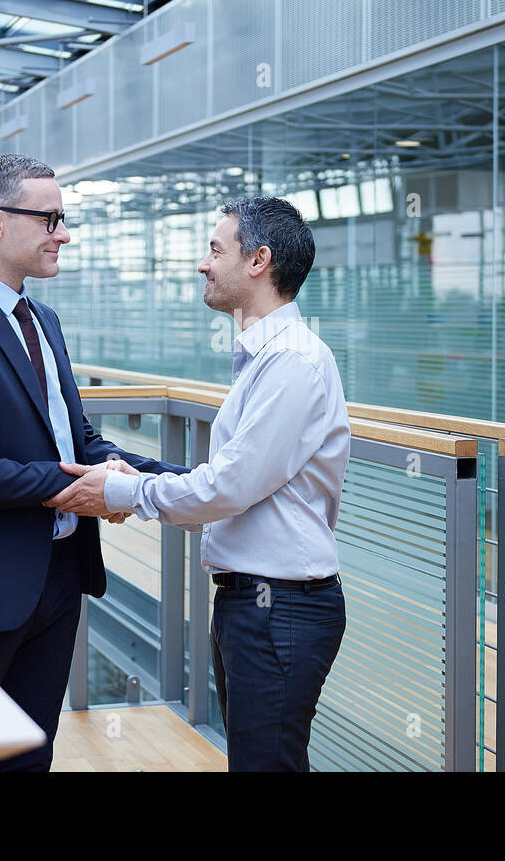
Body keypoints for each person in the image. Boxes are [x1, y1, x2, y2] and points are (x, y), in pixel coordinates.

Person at [0, 153, 186, 772]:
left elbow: (76, 441)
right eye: (50, 218)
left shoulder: (43, 320)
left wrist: (170, 479)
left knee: (30, 759)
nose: (64, 233)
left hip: (58, 577)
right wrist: (78, 488)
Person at [51, 196, 351, 771]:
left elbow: (228, 488)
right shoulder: (266, 358)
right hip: (259, 602)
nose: (202, 264)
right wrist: (132, 475)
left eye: (216, 249)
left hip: (280, 607)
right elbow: (228, 480)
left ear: (259, 261)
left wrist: (121, 493)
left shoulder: (292, 363)